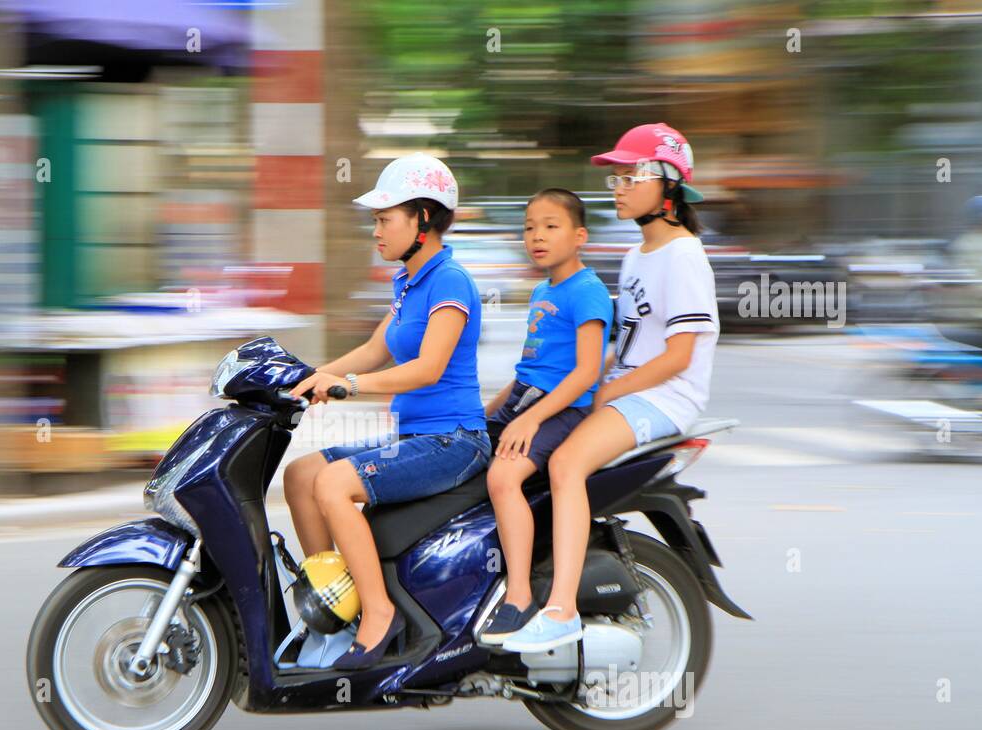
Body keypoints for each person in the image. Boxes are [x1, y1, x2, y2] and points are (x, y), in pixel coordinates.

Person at [498, 123, 720, 653]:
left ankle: (560, 609)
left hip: (665, 397)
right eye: (615, 178)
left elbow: (679, 355)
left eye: (631, 176)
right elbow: (627, 341)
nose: (618, 187)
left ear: (668, 183)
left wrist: (605, 393)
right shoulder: (637, 254)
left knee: (565, 464)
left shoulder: (684, 255)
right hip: (629, 390)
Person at [286, 153, 491, 669]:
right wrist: (305, 378)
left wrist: (347, 387)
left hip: (453, 441)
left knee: (335, 485)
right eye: (375, 220)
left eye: (384, 219)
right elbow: (376, 350)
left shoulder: (450, 281)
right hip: (415, 435)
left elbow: (427, 368)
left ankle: (378, 614)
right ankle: (331, 608)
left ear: (423, 218)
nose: (375, 231)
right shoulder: (408, 281)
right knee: (301, 474)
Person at [480, 189, 613, 644]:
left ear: (579, 236)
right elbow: (528, 370)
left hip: (561, 409)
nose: (537, 236)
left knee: (502, 477)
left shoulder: (588, 291)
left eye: (550, 226)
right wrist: (489, 412)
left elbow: (586, 373)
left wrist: (531, 419)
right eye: (529, 227)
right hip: (525, 399)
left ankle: (518, 598)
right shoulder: (542, 289)